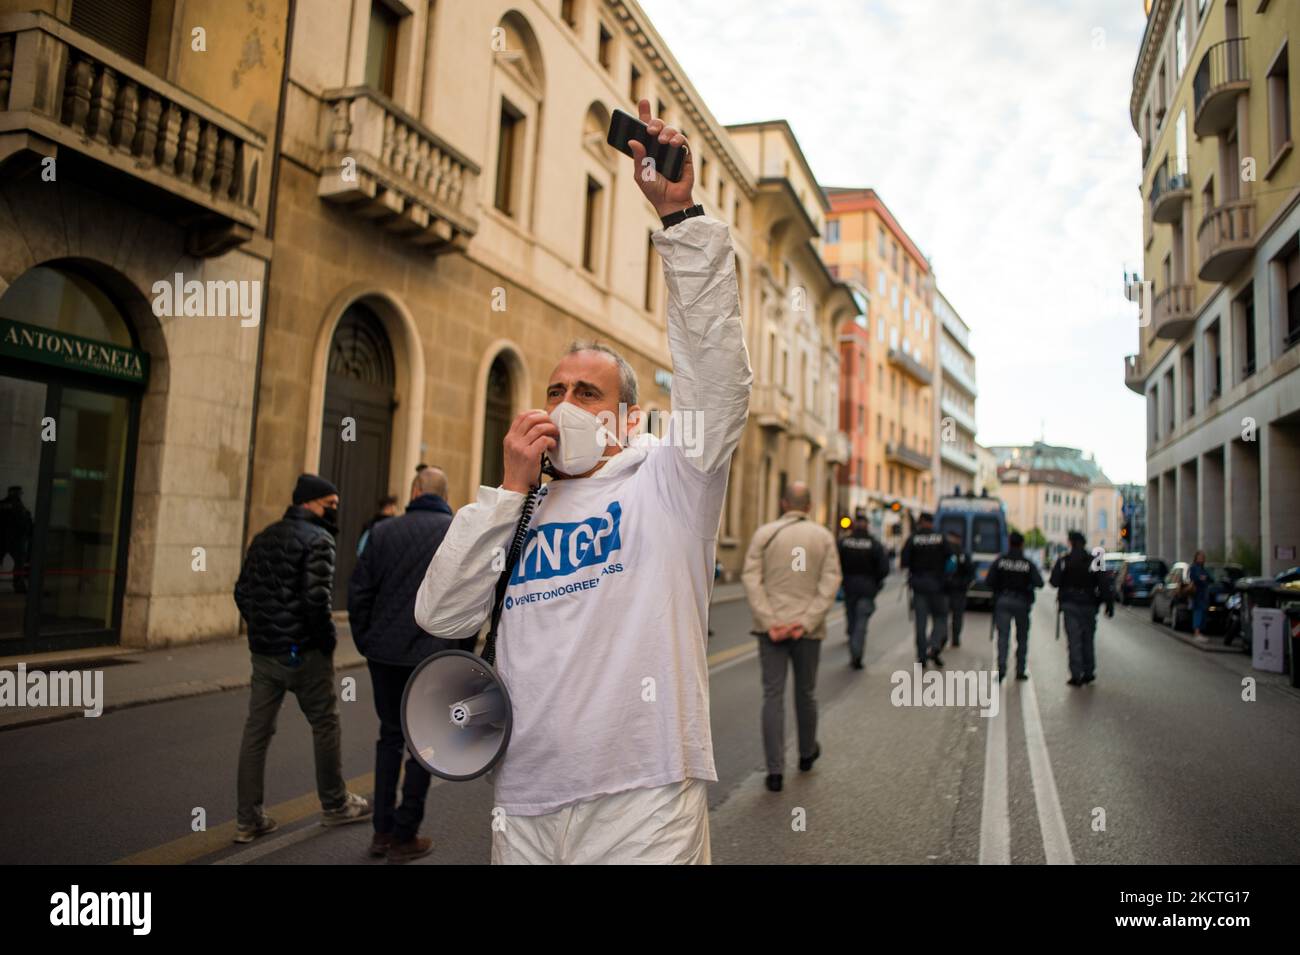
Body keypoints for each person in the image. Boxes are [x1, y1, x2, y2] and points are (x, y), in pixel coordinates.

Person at [414, 100, 751, 865]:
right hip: (526, 802)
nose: (565, 403)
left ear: (630, 421)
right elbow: (441, 615)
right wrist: (504, 492)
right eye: (556, 389)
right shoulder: (518, 504)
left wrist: (682, 221)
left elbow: (717, 379)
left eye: (588, 394)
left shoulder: (671, 481)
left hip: (645, 798)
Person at [232, 473, 372, 843]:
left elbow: (242, 592)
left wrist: (262, 630)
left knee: (256, 732)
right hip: (305, 653)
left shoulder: (264, 537)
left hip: (264, 654)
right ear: (309, 502)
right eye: (330, 505)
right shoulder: (319, 540)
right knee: (325, 724)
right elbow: (315, 602)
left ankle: (248, 819)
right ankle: (336, 804)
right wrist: (325, 642)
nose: (334, 512)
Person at [348, 465, 468, 863]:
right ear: (444, 494)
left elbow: (359, 591)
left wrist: (366, 640)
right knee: (425, 743)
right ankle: (405, 834)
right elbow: (470, 602)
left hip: (385, 655)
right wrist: (460, 653)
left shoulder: (382, 533)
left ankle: (381, 831)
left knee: (390, 736)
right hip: (435, 656)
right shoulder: (457, 534)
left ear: (416, 490)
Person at [742, 483, 841, 792]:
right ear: (809, 506)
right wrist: (806, 622)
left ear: (784, 503)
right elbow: (831, 582)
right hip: (807, 631)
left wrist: (771, 622)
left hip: (771, 630)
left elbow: (751, 579)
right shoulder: (823, 537)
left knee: (773, 696)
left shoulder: (765, 534)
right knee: (806, 693)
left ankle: (774, 772)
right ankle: (806, 753)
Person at [1049, 529, 1114, 687]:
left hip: (1070, 604)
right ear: (1084, 543)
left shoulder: (1064, 560)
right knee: (1087, 639)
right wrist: (1109, 605)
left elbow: (1053, 582)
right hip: (1089, 605)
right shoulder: (1094, 561)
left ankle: (1076, 675)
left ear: (1070, 542)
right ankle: (1089, 672)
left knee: (1074, 640)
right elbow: (1105, 584)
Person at [900, 512, 958, 667]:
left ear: (920, 522)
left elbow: (904, 562)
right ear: (932, 523)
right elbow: (952, 560)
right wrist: (947, 577)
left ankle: (921, 656)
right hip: (938, 586)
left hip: (919, 587)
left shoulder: (913, 539)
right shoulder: (940, 538)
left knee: (920, 623)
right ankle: (934, 644)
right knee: (940, 618)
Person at [984, 531, 1045, 681]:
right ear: (1022, 544)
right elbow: (1040, 583)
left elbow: (988, 581)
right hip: (1022, 603)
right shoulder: (1027, 563)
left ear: (1009, 543)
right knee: (1022, 638)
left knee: (1003, 637)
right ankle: (1020, 670)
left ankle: (1002, 669)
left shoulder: (1000, 561)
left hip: (1003, 601)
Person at [836, 512, 889, 669]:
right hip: (867, 588)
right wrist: (875, 582)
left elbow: (834, 563)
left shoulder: (844, 543)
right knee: (861, 622)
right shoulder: (874, 544)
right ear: (867, 525)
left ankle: (854, 648)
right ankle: (857, 654)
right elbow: (884, 569)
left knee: (852, 619)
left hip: (849, 587)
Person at [944, 530, 975, 649]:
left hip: (946, 589)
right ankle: (955, 639)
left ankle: (945, 637)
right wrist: (964, 584)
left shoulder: (944, 553)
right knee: (957, 615)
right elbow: (971, 573)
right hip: (959, 590)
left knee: (944, 615)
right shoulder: (964, 554)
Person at [0, 485, 33, 593]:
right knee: (19, 563)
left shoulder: (3, 504)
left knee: (19, 563)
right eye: (19, 493)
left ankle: (19, 585)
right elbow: (24, 523)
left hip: (3, 539)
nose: (20, 495)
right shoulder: (18, 506)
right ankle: (18, 585)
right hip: (15, 540)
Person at [1189, 550, 1211, 640]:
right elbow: (1196, 578)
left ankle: (1199, 632)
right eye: (1199, 557)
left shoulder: (1203, 569)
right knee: (1198, 612)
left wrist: (1204, 578)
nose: (1201, 559)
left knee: (1203, 613)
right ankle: (1197, 632)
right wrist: (1202, 578)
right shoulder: (1194, 567)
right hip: (1197, 594)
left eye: (1202, 557)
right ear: (1196, 558)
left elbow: (1209, 578)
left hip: (1204, 594)